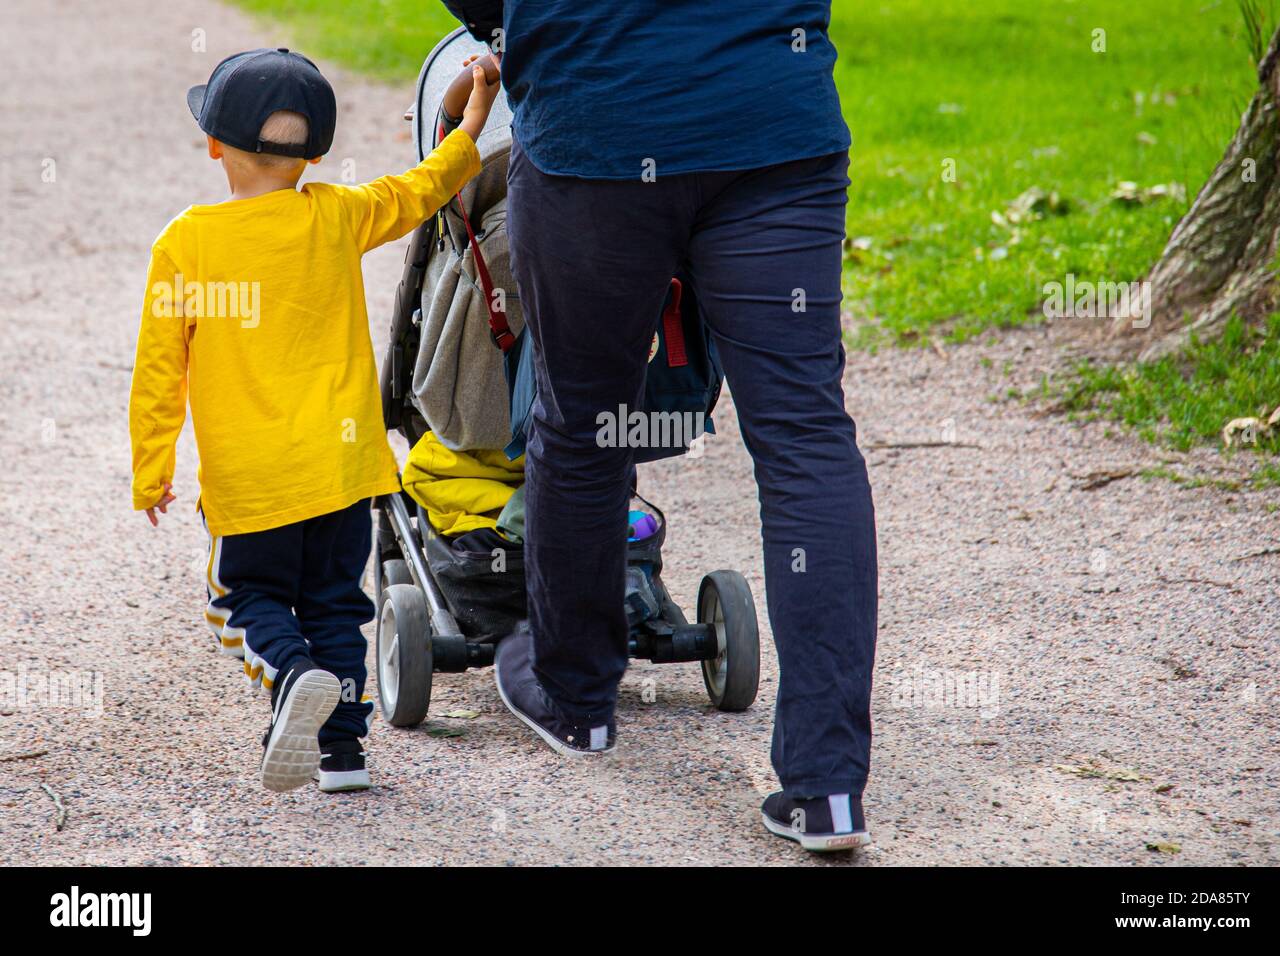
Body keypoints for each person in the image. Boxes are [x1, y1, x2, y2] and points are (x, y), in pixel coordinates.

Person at [442, 2, 878, 852]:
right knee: (806, 437)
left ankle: (575, 700)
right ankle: (828, 788)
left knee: (580, 419)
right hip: (770, 119)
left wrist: (506, 22)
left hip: (596, 113)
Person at [128, 48, 498, 793]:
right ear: (317, 153)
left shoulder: (186, 244)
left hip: (254, 479)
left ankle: (291, 676)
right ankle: (342, 757)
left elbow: (159, 370)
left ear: (213, 143)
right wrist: (473, 121)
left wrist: (152, 470)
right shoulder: (338, 214)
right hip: (342, 469)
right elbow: (425, 188)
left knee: (241, 602)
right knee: (334, 605)